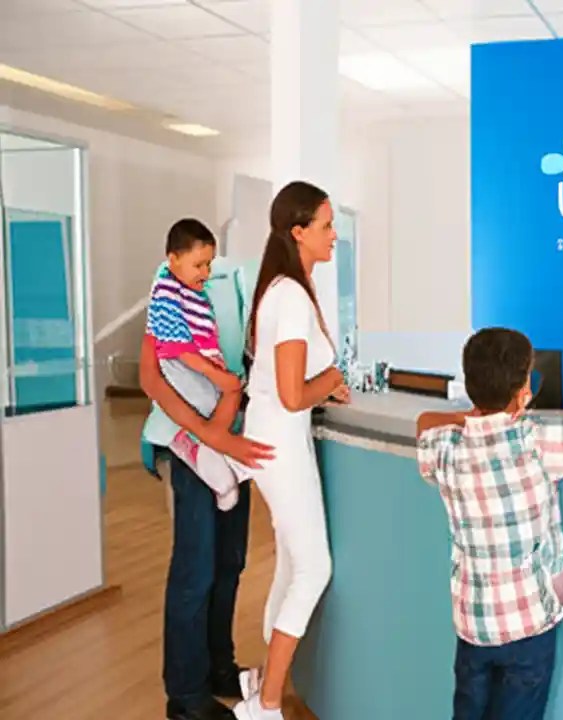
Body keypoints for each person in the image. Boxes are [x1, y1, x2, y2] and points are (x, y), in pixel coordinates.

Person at [416, 327, 563, 720]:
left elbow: (423, 420)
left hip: (474, 626)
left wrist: (470, 417)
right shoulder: (537, 440)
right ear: (523, 393)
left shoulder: (445, 447)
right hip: (529, 627)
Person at [139, 251, 275, 720]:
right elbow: (150, 376)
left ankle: (219, 668)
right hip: (189, 440)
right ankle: (185, 694)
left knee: (230, 561)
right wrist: (211, 434)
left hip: (230, 440)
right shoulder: (171, 281)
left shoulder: (243, 282)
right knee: (195, 568)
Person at [233, 180, 351, 720]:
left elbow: (288, 386)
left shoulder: (284, 290)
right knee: (314, 570)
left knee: (290, 566)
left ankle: (261, 686)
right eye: (326, 226)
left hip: (278, 439)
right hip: (280, 443)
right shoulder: (291, 295)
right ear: (298, 232)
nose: (334, 235)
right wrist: (331, 378)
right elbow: (291, 392)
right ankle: (268, 704)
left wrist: (326, 381)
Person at [147, 218, 253, 511]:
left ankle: (215, 456)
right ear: (173, 259)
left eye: (209, 265)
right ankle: (188, 445)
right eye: (199, 265)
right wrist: (214, 373)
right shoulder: (167, 293)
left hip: (196, 367)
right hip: (180, 366)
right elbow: (177, 348)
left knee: (222, 398)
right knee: (208, 399)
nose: (206, 273)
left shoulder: (196, 289)